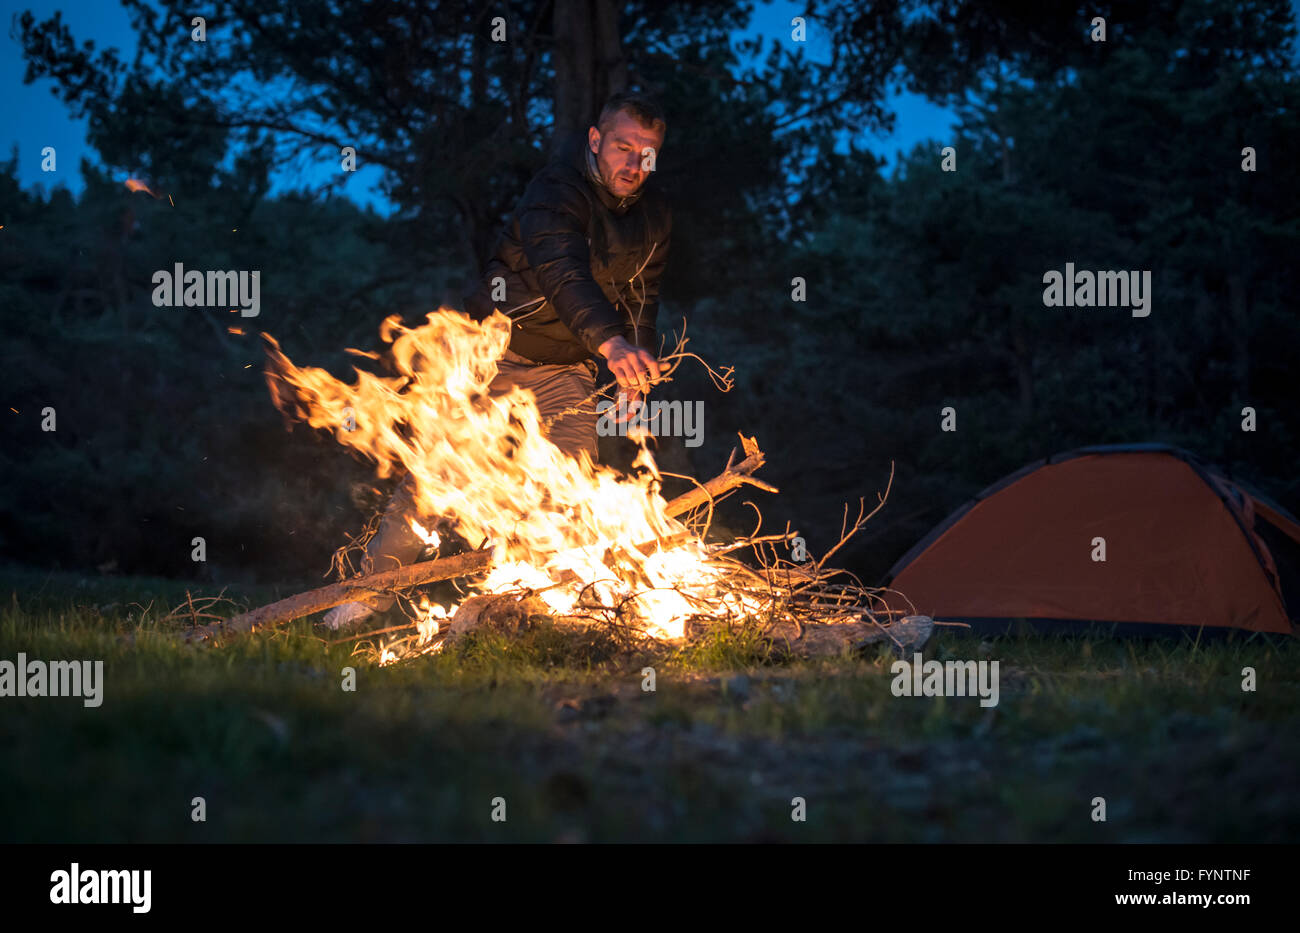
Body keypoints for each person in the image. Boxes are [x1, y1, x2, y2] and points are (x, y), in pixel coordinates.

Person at [324, 91, 673, 629]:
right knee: (431, 482)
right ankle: (365, 599)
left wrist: (636, 354)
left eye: (645, 152)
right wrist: (612, 343)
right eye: (623, 146)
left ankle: (542, 610)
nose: (633, 162)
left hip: (566, 370)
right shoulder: (554, 192)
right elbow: (563, 273)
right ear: (596, 141)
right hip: (494, 356)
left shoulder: (654, 216)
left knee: (572, 490)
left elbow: (642, 293)